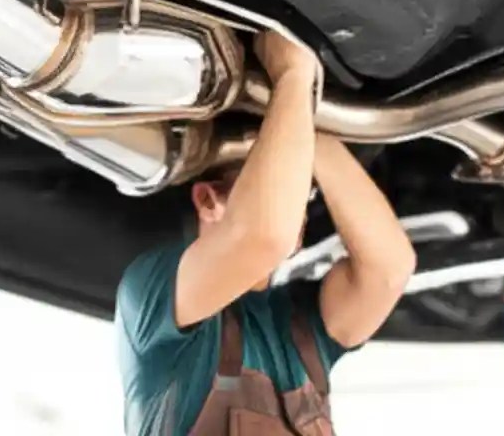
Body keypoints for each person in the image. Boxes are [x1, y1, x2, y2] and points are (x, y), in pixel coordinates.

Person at [116, 32, 418, 435]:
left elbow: (388, 266)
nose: (295, 202)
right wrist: (292, 77)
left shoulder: (295, 326)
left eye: (300, 188)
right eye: (276, 182)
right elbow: (263, 238)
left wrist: (312, 129)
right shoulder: (151, 298)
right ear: (208, 200)